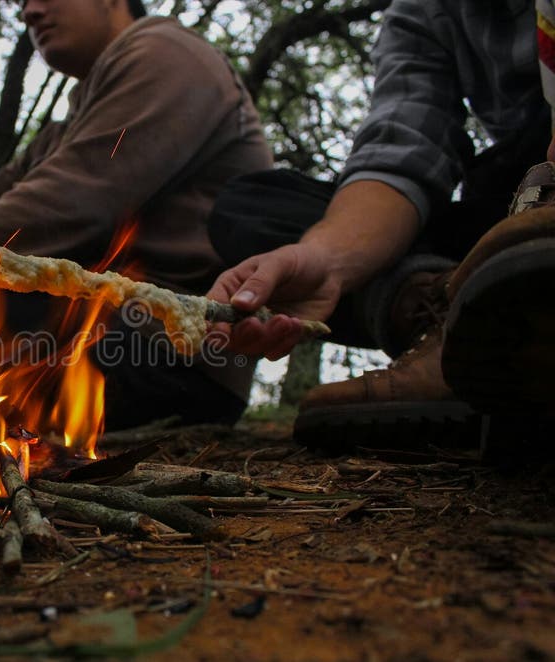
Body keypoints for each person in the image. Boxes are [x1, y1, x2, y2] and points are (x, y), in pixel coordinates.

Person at [0, 0, 274, 429]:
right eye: (21, 2)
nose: (29, 12)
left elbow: (70, 203)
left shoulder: (167, 55)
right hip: (100, 329)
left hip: (170, 352)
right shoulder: (69, 124)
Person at [204, 0, 554, 447]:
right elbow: (402, 153)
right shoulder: (423, 13)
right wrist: (324, 258)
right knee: (250, 207)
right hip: (511, 213)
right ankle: (456, 316)